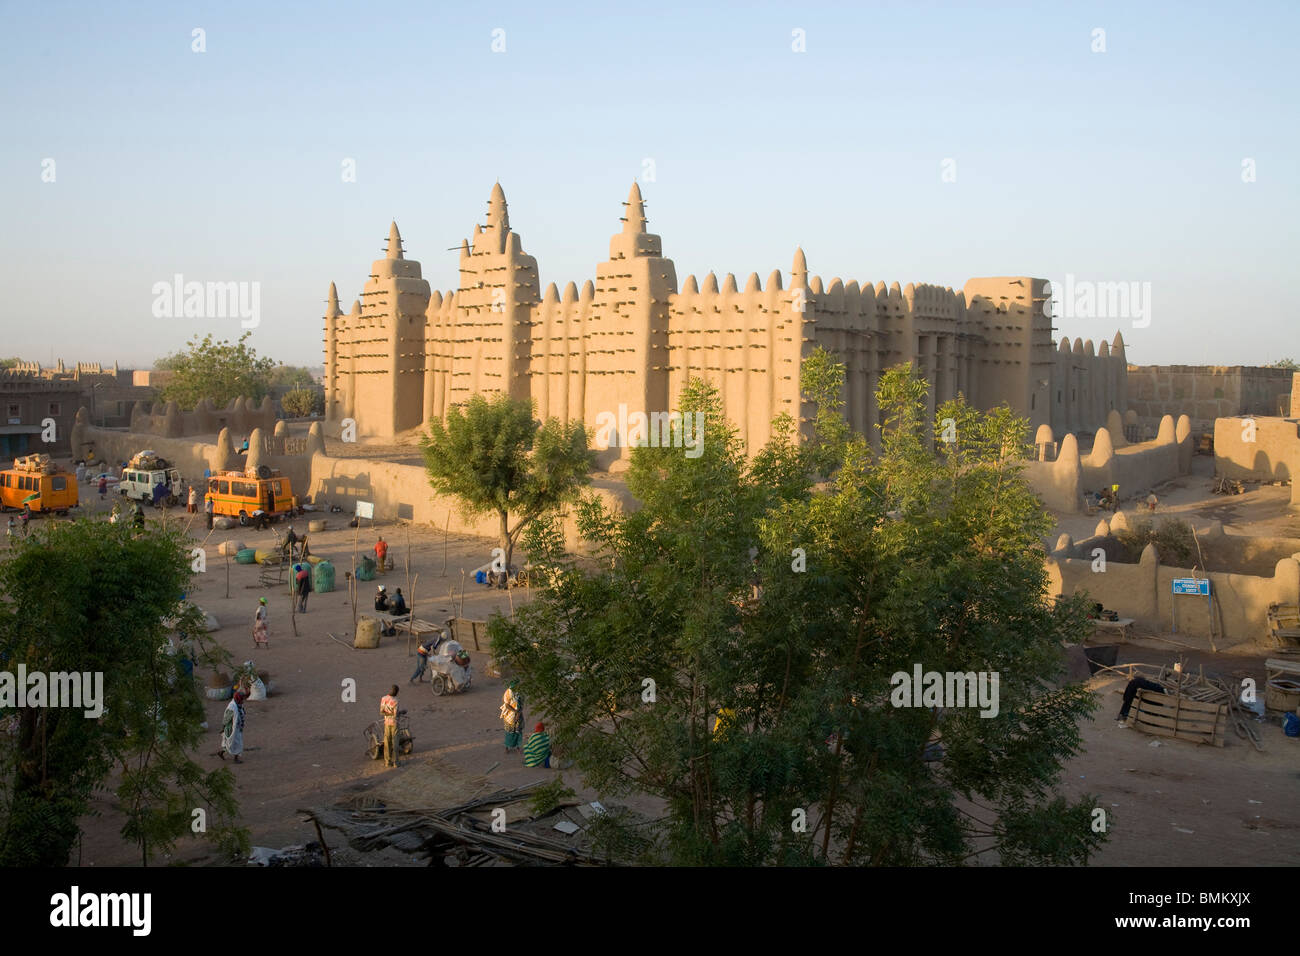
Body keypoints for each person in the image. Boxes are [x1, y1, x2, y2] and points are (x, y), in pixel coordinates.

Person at [219, 689, 246, 763]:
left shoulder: (238, 704)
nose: (243, 700)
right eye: (242, 698)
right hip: (232, 728)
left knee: (230, 743)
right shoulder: (232, 707)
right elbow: (226, 718)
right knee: (237, 743)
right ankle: (235, 759)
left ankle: (221, 753)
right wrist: (223, 728)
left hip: (237, 727)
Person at [380, 685, 400, 768]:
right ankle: (396, 762)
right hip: (394, 723)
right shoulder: (395, 701)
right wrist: (401, 711)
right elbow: (395, 715)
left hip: (387, 723)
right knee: (395, 743)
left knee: (387, 742)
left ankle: (387, 762)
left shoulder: (383, 698)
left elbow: (381, 712)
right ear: (396, 692)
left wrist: (387, 713)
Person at [501, 681, 523, 752]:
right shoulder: (508, 692)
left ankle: (517, 747)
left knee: (518, 731)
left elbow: (521, 705)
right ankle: (507, 747)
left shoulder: (520, 694)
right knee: (509, 732)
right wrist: (515, 711)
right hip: (509, 716)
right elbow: (507, 705)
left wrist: (518, 714)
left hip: (518, 715)